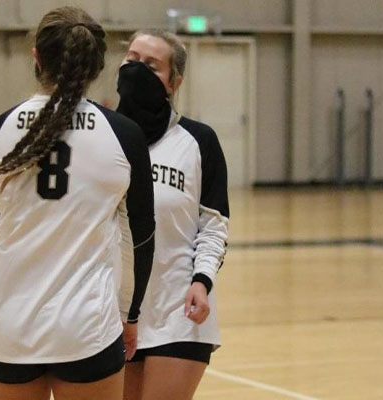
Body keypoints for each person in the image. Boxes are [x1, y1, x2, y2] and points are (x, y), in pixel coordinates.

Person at [0, 7, 155, 400]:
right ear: (97, 66)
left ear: (36, 57)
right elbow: (139, 238)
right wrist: (131, 315)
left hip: (10, 326)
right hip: (85, 328)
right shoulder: (123, 135)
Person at [115, 30, 230, 400]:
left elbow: (213, 224)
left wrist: (202, 280)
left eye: (151, 65)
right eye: (131, 59)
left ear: (174, 81)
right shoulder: (103, 137)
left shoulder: (199, 141)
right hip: (113, 311)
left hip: (178, 310)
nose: (137, 70)